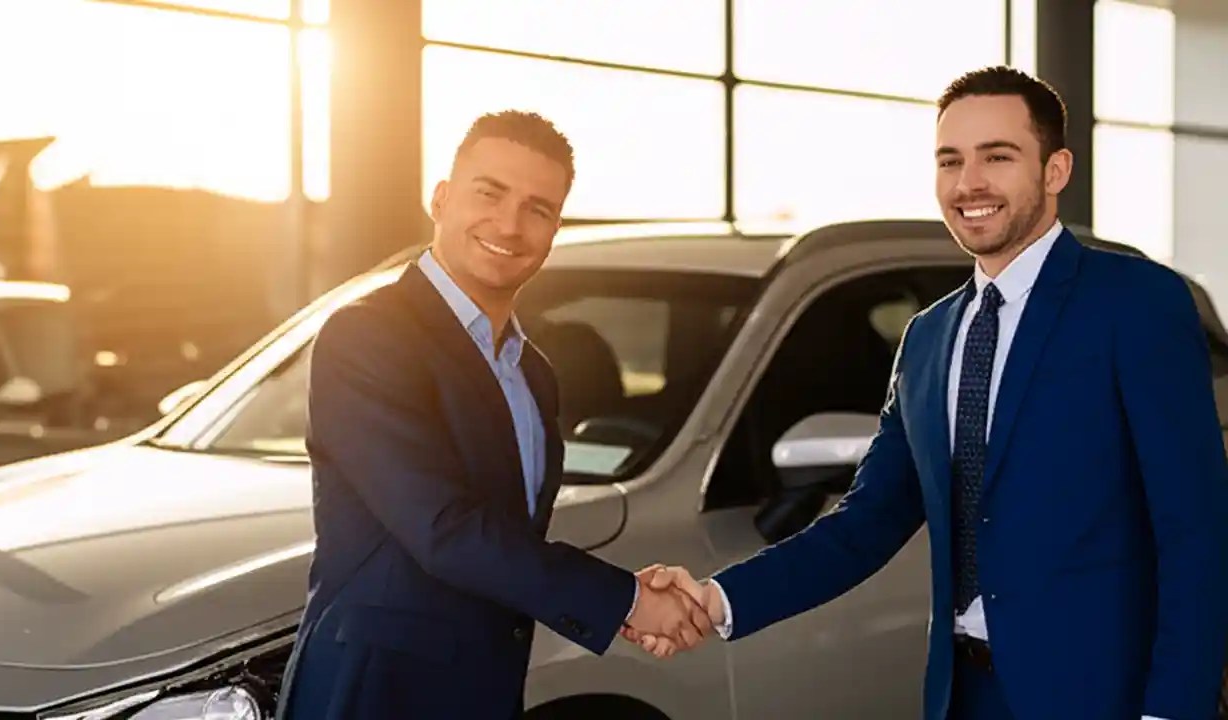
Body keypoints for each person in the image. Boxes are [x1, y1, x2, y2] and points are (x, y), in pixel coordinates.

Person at [627, 66, 1228, 720]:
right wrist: (715, 599)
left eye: (997, 156)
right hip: (960, 695)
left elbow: (1197, 533)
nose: (969, 183)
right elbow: (865, 523)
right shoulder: (928, 338)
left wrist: (1172, 711)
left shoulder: (1136, 304)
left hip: (1102, 700)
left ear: (1055, 170)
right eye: (950, 160)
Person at [276, 110, 710, 720]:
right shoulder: (368, 336)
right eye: (489, 193)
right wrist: (627, 601)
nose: (510, 224)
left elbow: (507, 541)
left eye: (538, 209)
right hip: (376, 693)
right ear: (441, 199)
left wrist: (622, 601)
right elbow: (443, 526)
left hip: (483, 691)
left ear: (555, 228)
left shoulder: (533, 373)